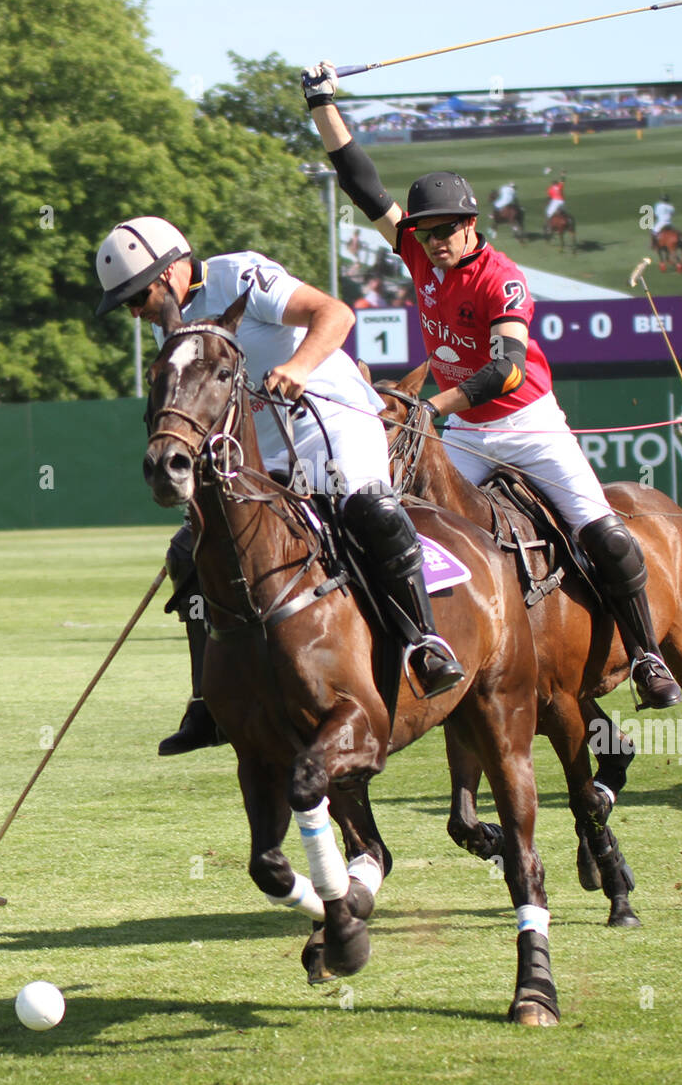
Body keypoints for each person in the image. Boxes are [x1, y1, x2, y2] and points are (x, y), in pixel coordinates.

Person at [301, 60, 682, 711]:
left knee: (606, 533)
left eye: (446, 228)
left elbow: (505, 366)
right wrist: (320, 103)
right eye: (425, 230)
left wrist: (432, 406)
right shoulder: (419, 250)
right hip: (466, 434)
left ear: (471, 224)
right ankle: (425, 644)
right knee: (390, 524)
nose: (434, 240)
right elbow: (361, 181)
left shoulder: (502, 277)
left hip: (526, 423)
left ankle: (646, 653)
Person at [95, 218, 465, 754]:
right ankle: (207, 701)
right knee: (189, 554)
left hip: (329, 425)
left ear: (172, 268)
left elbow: (333, 313)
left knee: (372, 512)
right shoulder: (167, 322)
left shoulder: (240, 276)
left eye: (137, 294)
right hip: (259, 456)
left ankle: (425, 645)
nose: (134, 310)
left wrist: (299, 364)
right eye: (126, 302)